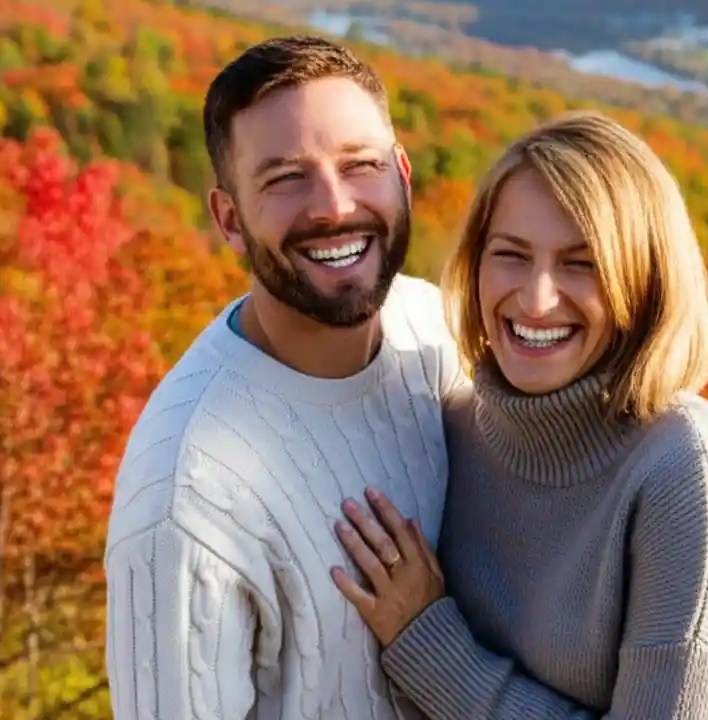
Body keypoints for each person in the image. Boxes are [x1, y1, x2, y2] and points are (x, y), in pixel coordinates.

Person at [329, 111, 708, 719]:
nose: (538, 299)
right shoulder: (451, 430)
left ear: (644, 283)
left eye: (582, 263)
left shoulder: (686, 470)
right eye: (511, 254)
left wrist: (433, 647)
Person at [102, 36, 462, 719]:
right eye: (286, 178)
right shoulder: (188, 495)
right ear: (230, 220)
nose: (334, 206)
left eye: (361, 165)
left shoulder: (439, 334)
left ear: (403, 176)